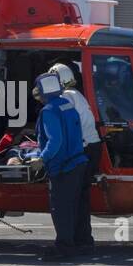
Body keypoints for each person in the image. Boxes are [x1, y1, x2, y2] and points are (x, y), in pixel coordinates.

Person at [23, 72, 88, 261]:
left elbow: (55, 140)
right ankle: (75, 243)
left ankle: (64, 248)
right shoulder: (67, 104)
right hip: (77, 161)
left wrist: (41, 159)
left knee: (61, 209)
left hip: (64, 166)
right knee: (73, 207)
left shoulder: (49, 110)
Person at [48, 63, 100, 253]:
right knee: (81, 198)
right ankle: (83, 238)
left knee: (70, 198)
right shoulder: (77, 95)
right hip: (92, 148)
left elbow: (68, 128)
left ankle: (70, 240)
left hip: (83, 150)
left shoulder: (66, 98)